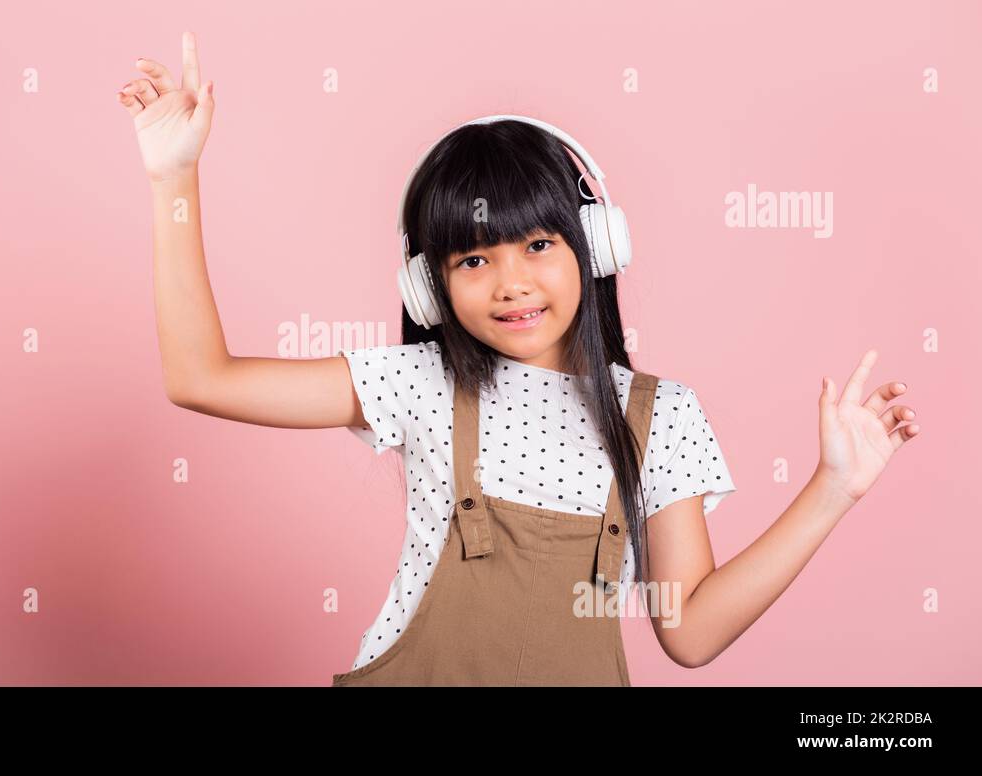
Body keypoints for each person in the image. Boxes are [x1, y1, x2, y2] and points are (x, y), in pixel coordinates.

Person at [117, 31, 923, 686]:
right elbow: (201, 378)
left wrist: (833, 489)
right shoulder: (420, 382)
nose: (510, 284)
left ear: (595, 246)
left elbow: (692, 632)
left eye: (538, 245)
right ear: (430, 288)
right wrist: (174, 178)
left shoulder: (661, 417)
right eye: (472, 261)